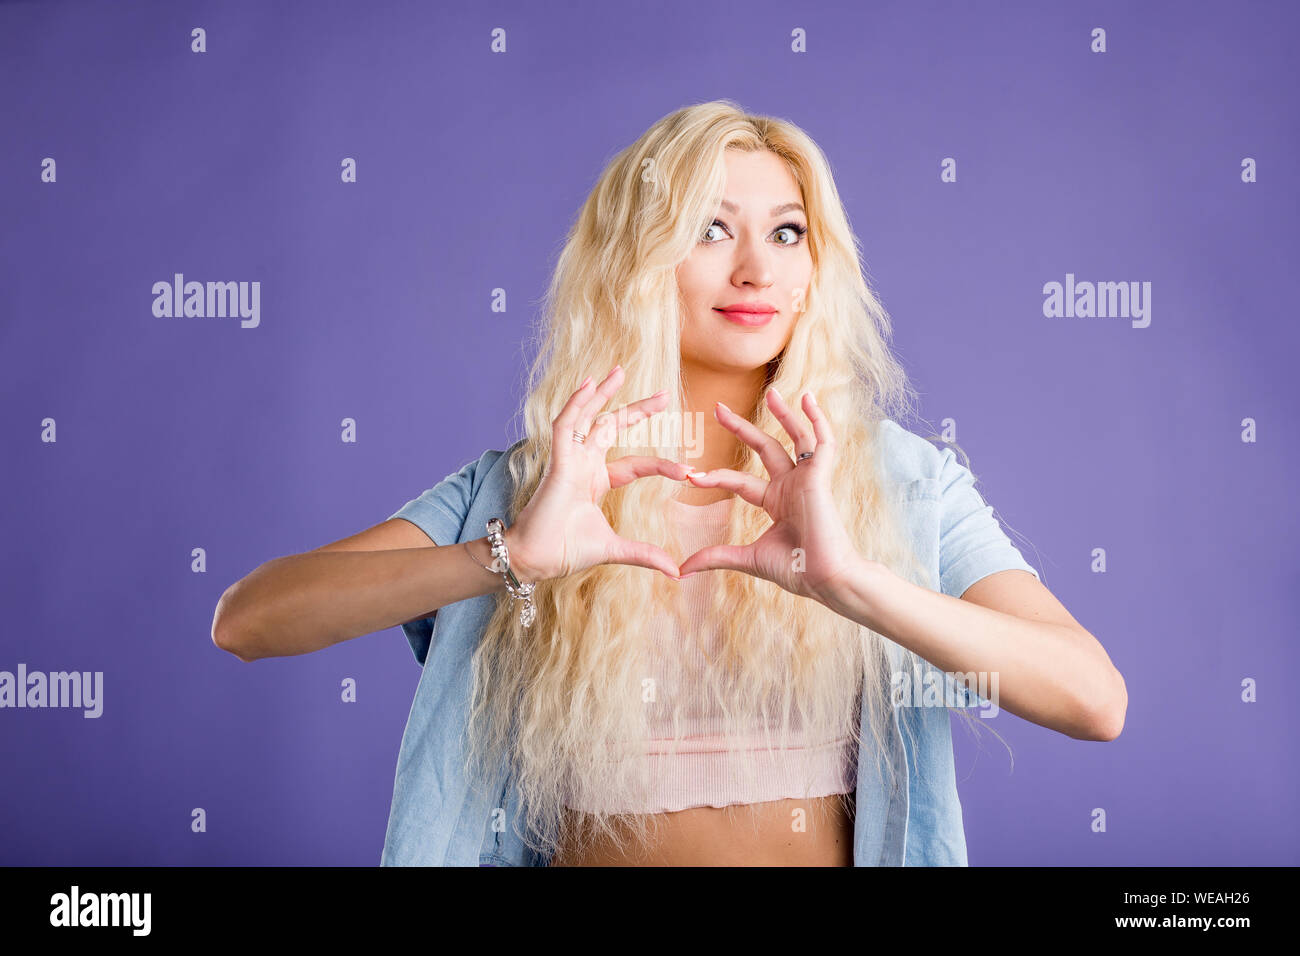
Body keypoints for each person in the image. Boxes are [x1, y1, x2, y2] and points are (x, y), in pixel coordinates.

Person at [212, 99, 1127, 867]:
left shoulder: (899, 481)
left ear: (815, 273)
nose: (754, 267)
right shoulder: (533, 488)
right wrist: (509, 556)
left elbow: (1094, 700)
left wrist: (855, 584)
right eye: (709, 228)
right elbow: (251, 620)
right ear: (635, 261)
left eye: (787, 232)